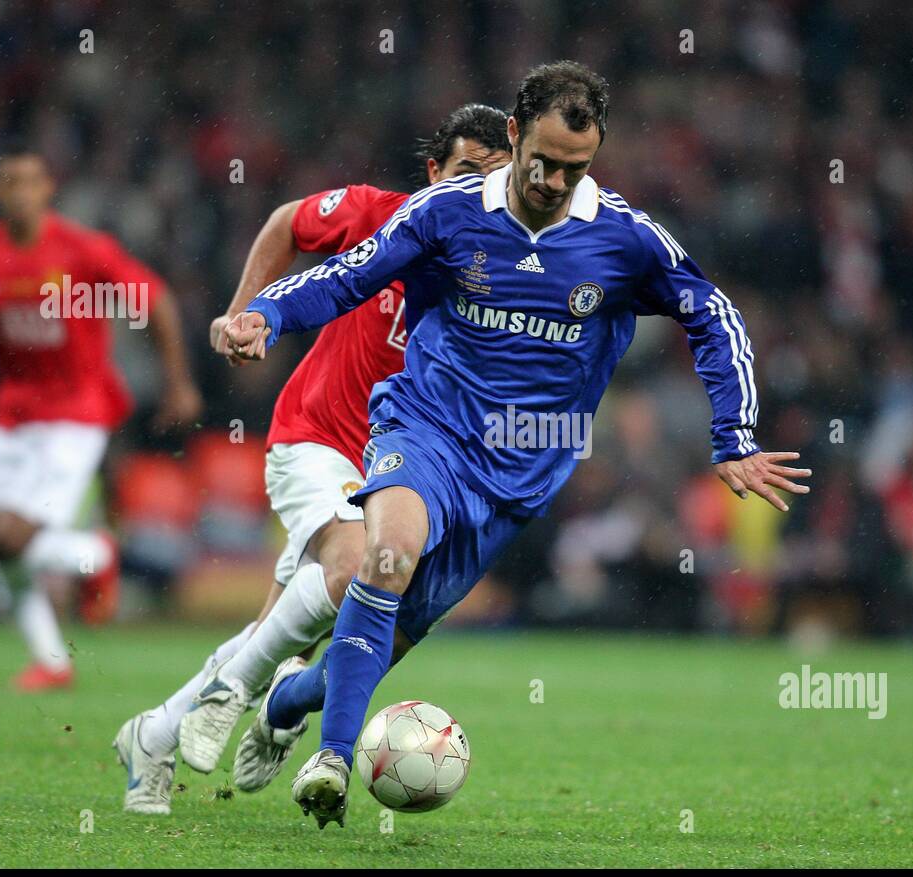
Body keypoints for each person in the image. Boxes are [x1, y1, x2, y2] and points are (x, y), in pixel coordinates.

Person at [223, 62, 811, 828]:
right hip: (424, 425)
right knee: (389, 551)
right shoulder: (447, 212)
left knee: (388, 639)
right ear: (514, 133)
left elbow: (713, 313)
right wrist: (267, 313)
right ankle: (332, 757)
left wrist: (732, 434)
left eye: (576, 167)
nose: (555, 178)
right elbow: (351, 275)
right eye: (543, 159)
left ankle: (291, 699)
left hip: (519, 474)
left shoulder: (624, 240)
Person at [113, 105, 512, 814]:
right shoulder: (375, 215)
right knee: (354, 564)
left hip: (408, 470)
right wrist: (243, 313)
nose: (474, 192)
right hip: (317, 439)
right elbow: (285, 226)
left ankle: (154, 733)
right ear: (432, 173)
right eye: (463, 174)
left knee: (282, 627)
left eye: (493, 179)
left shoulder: (504, 270)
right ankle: (231, 694)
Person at [0, 140, 202, 692]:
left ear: (48, 189)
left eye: (31, 180)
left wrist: (178, 381)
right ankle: (55, 652)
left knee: (12, 538)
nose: (20, 192)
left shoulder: (82, 251)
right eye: (9, 181)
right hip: (14, 414)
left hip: (77, 413)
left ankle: (96, 555)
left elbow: (155, 299)